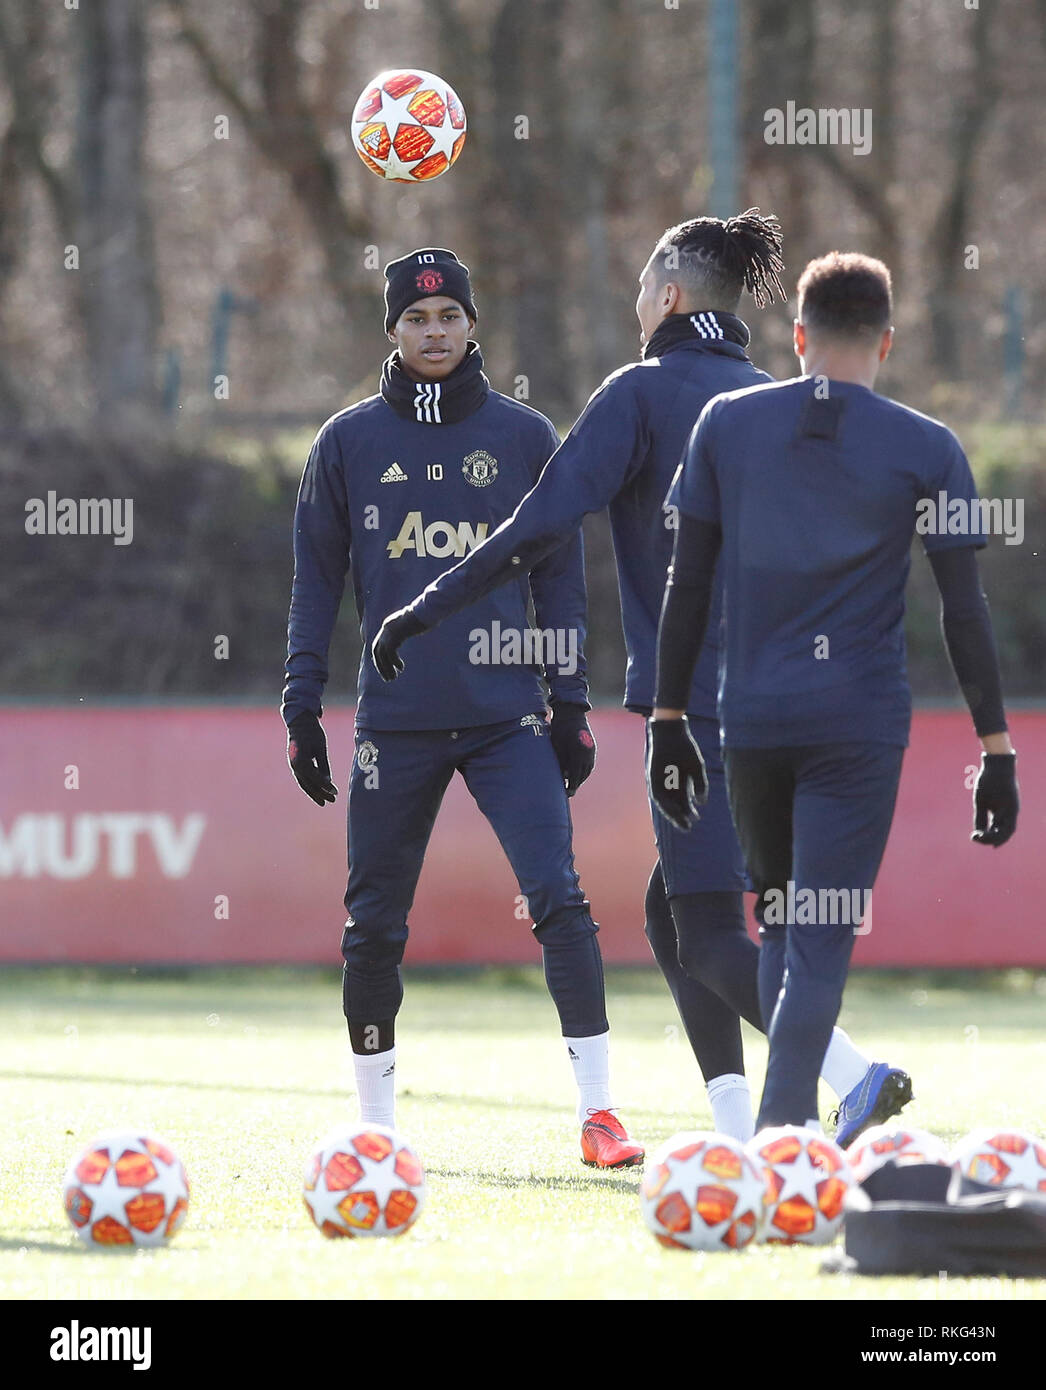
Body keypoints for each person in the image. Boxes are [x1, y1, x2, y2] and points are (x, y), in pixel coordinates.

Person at [372, 216, 909, 1146]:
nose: (633, 299)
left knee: (706, 934)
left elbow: (539, 525)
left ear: (667, 295)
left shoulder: (641, 394)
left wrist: (423, 607)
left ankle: (854, 1076)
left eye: (639, 283)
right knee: (674, 915)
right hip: (799, 706)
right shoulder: (774, 399)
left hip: (698, 714)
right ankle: (739, 1128)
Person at [282, 247, 643, 1169]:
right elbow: (316, 583)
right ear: (392, 332)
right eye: (416, 320)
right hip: (393, 722)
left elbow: (560, 577)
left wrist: (569, 701)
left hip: (505, 715)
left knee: (559, 897)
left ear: (473, 324)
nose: (434, 333)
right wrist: (299, 699)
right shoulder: (348, 442)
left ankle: (600, 1116)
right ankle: (378, 1128)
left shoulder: (525, 436)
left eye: (449, 318)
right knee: (372, 924)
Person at [647, 251, 1019, 1133]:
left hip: (751, 723)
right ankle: (783, 1148)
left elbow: (685, 584)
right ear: (886, 340)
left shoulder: (724, 424)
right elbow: (965, 611)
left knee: (780, 927)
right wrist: (995, 747)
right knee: (815, 937)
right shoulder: (927, 447)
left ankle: (797, 1133)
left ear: (799, 334)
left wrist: (667, 719)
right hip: (856, 725)